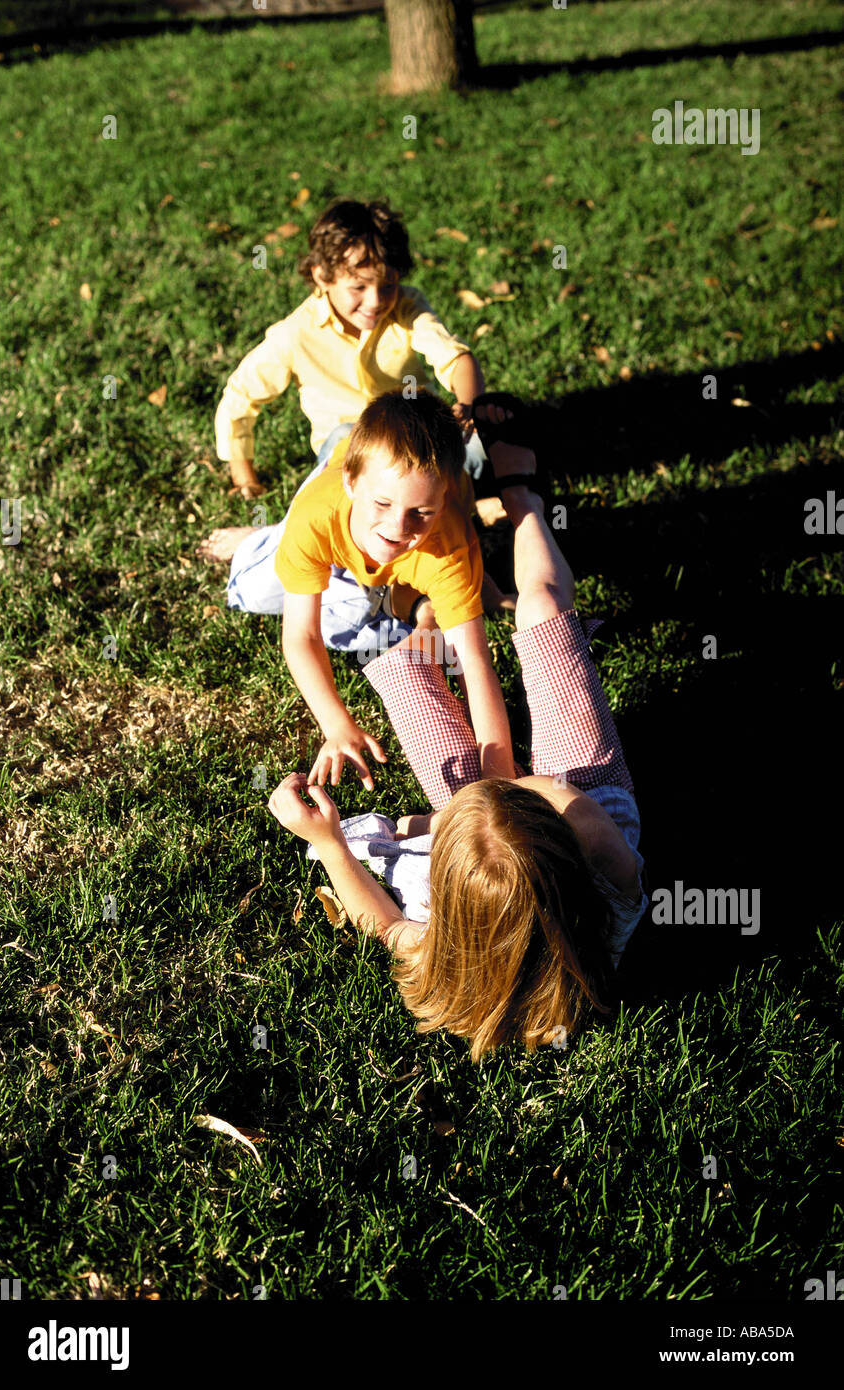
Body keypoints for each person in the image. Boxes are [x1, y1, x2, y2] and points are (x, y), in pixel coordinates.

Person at [268, 407, 648, 1061]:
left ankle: (419, 623)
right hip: (586, 793)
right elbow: (563, 805)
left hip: (488, 829)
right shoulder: (604, 882)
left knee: (406, 676)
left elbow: (386, 926)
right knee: (542, 611)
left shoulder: (444, 946)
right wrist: (489, 794)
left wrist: (330, 842)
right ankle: (522, 493)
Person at [225, 388, 516, 792]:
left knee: (357, 617)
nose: (400, 527)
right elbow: (300, 636)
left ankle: (409, 597)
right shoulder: (318, 515)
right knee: (248, 590)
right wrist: (336, 725)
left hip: (404, 549)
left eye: (421, 512)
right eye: (383, 504)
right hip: (324, 517)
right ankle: (271, 535)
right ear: (351, 482)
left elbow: (473, 662)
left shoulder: (449, 546)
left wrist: (498, 777)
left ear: (443, 498)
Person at [211, 197, 488, 501]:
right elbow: (241, 395)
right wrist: (244, 477)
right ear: (321, 276)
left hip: (415, 440)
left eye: (388, 286)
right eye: (359, 287)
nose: (375, 301)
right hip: (351, 454)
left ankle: (450, 503)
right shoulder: (295, 334)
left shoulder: (407, 308)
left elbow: (455, 357)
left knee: (482, 442)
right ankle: (457, 503)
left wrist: (468, 405)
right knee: (347, 436)